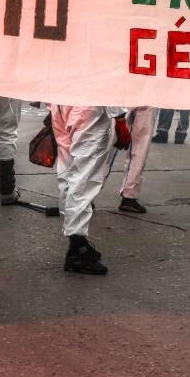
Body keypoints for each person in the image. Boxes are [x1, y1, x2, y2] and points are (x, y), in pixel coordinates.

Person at [49, 103, 119, 275]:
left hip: (61, 103)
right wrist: (120, 116)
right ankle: (77, 247)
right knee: (83, 178)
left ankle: (76, 240)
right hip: (89, 106)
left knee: (68, 172)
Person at [115, 106, 153, 214]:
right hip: (146, 95)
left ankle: (87, 194)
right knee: (140, 146)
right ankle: (129, 195)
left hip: (123, 96)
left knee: (108, 145)